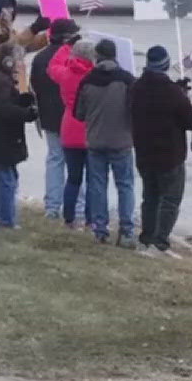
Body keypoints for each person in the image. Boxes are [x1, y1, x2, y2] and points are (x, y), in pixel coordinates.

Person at [130, 44, 192, 257]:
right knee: (170, 199)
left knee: (150, 197)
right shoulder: (173, 93)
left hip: (144, 152)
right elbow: (191, 121)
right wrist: (184, 96)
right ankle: (159, 242)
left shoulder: (136, 88)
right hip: (170, 155)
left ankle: (147, 237)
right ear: (166, 65)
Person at [73, 37, 137, 246]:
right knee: (125, 185)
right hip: (122, 141)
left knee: (98, 185)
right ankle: (126, 230)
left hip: (96, 141)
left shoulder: (87, 80)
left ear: (97, 56)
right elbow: (135, 109)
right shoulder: (127, 80)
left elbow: (79, 113)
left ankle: (100, 229)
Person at [29, 17, 81, 220]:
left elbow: (35, 86)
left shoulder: (40, 58)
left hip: (48, 116)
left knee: (54, 159)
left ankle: (52, 206)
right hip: (73, 116)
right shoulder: (72, 58)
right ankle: (77, 206)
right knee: (77, 163)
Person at [46, 35, 96, 227]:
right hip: (91, 130)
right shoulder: (94, 77)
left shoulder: (65, 74)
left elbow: (53, 66)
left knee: (73, 178)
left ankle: (69, 217)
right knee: (94, 179)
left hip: (70, 129)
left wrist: (66, 47)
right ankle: (91, 218)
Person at [0, 43, 38, 228]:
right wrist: (26, 114)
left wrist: (24, 89)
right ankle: (6, 219)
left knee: (2, 178)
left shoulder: (6, 79)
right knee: (6, 179)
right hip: (2, 136)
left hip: (2, 136)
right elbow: (4, 108)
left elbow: (18, 100)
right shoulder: (1, 81)